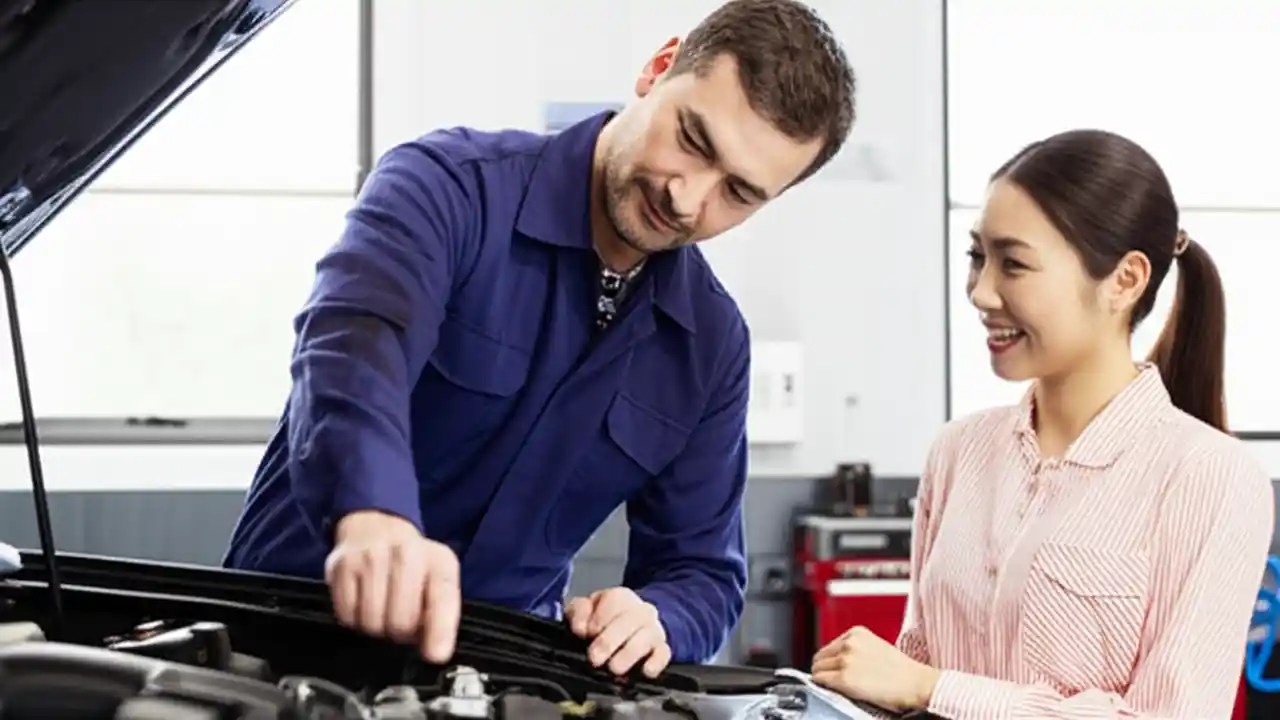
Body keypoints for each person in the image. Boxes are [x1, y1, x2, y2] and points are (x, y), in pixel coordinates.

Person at [223, 0, 856, 678]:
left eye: (739, 191)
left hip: (501, 680)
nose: (687, 197)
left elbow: (701, 571)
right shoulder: (447, 188)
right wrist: (372, 513)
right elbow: (351, 351)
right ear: (659, 68)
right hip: (285, 641)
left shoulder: (711, 346)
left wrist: (658, 617)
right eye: (694, 141)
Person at [810, 129, 1274, 718]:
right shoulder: (958, 452)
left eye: (1014, 264)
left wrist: (935, 690)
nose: (981, 292)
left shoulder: (1213, 478)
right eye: (978, 257)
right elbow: (910, 672)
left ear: (1125, 281)